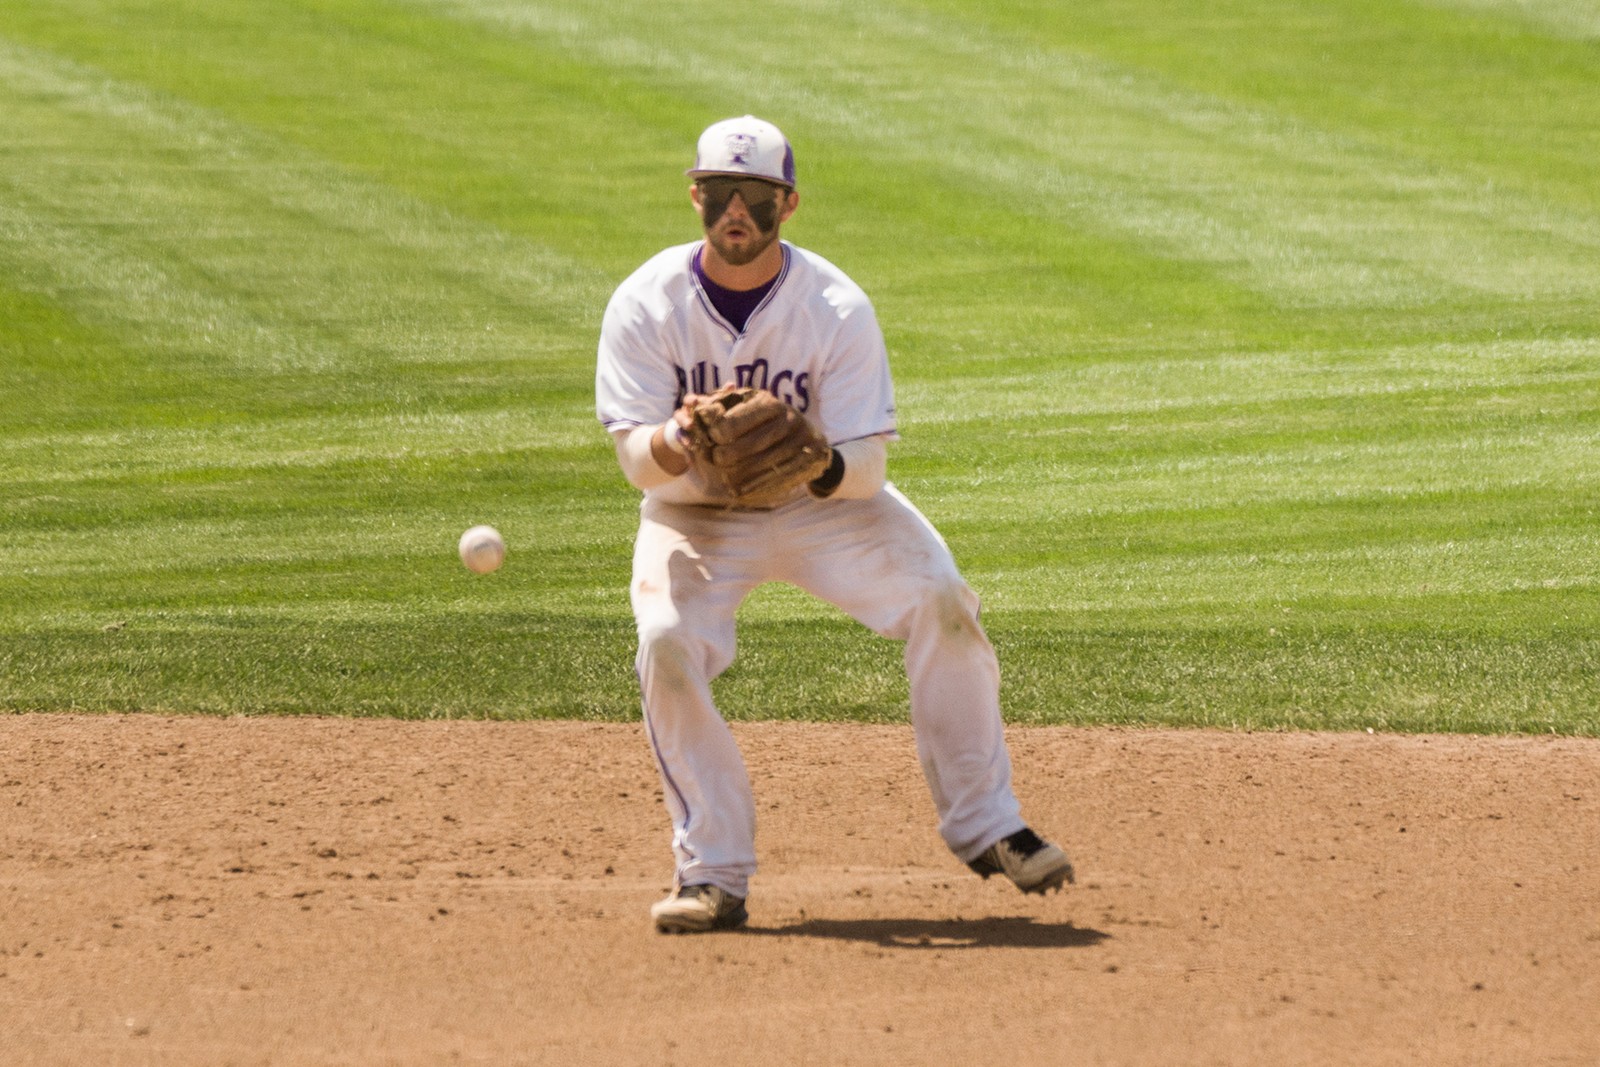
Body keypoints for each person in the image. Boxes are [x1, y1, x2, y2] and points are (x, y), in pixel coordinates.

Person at [595, 115, 1073, 934]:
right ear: (695, 196)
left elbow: (869, 472)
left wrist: (814, 460)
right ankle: (712, 872)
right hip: (698, 518)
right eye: (720, 194)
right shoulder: (646, 303)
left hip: (822, 510)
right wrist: (680, 435)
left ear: (790, 205)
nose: (736, 211)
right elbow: (637, 463)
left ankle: (990, 826)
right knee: (666, 640)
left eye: (757, 197)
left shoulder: (835, 307)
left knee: (942, 600)